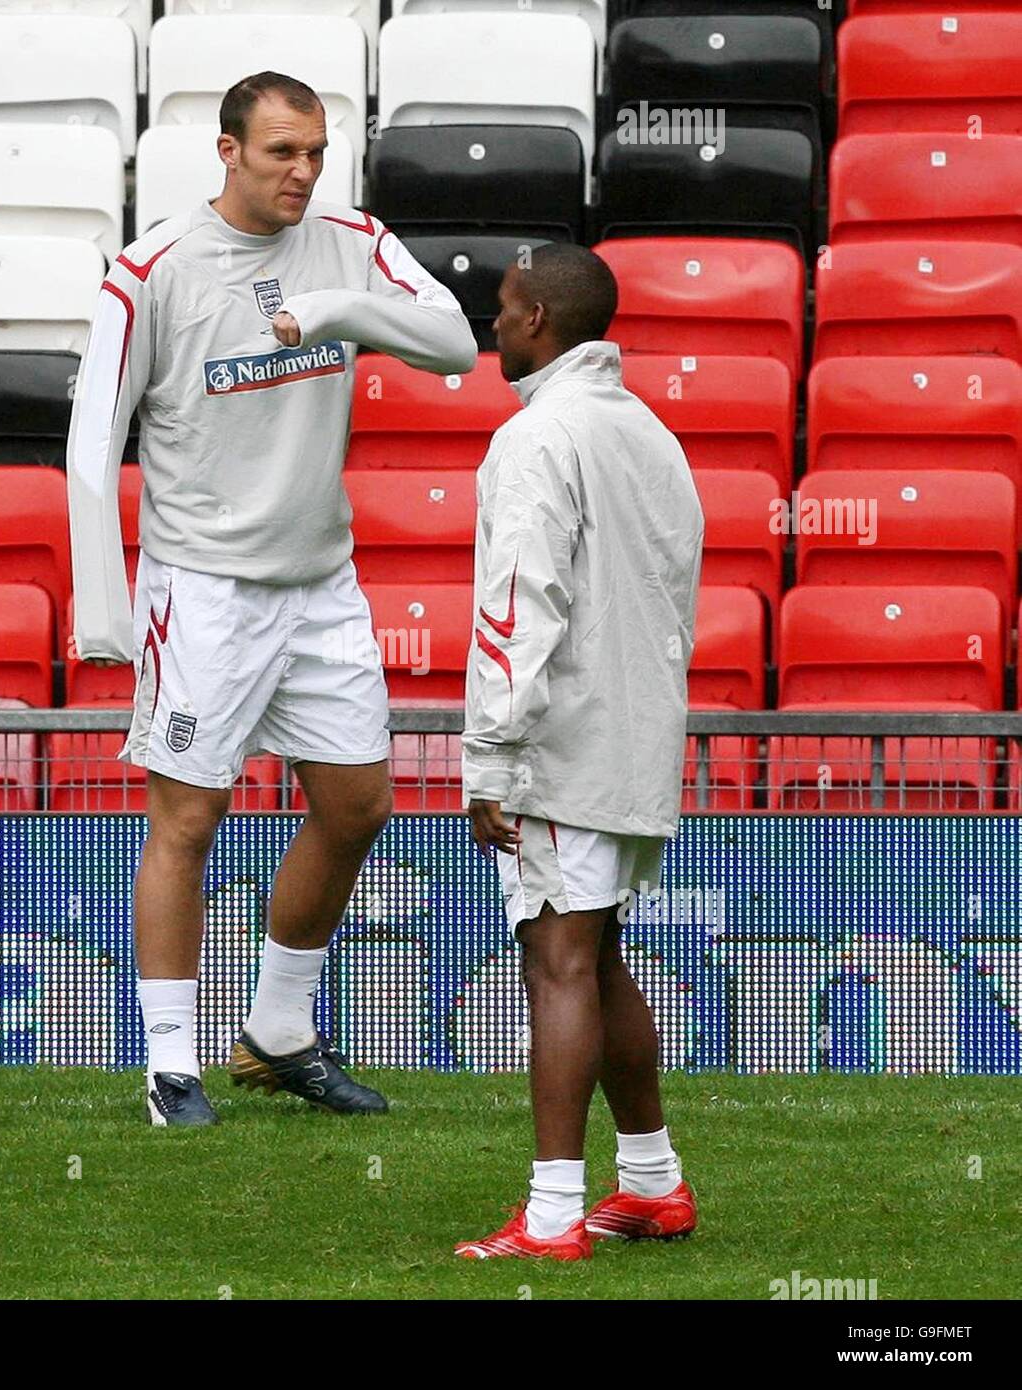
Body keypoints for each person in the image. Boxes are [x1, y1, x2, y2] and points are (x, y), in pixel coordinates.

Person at [66, 71, 477, 1126]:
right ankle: (169, 1067)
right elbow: (89, 442)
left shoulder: (351, 238)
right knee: (189, 815)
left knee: (357, 805)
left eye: (315, 151)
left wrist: (342, 310)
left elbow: (455, 344)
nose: (301, 172)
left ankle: (276, 1033)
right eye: (280, 152)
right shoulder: (152, 267)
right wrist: (103, 607)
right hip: (201, 585)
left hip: (320, 582)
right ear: (226, 150)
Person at [454, 246, 703, 1259]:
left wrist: (488, 759)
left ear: (541, 318)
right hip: (637, 738)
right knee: (593, 957)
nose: (493, 327)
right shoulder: (647, 431)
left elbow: (519, 606)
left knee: (554, 959)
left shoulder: (536, 435)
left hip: (562, 739)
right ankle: (649, 1181)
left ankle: (552, 1214)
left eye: (505, 311)